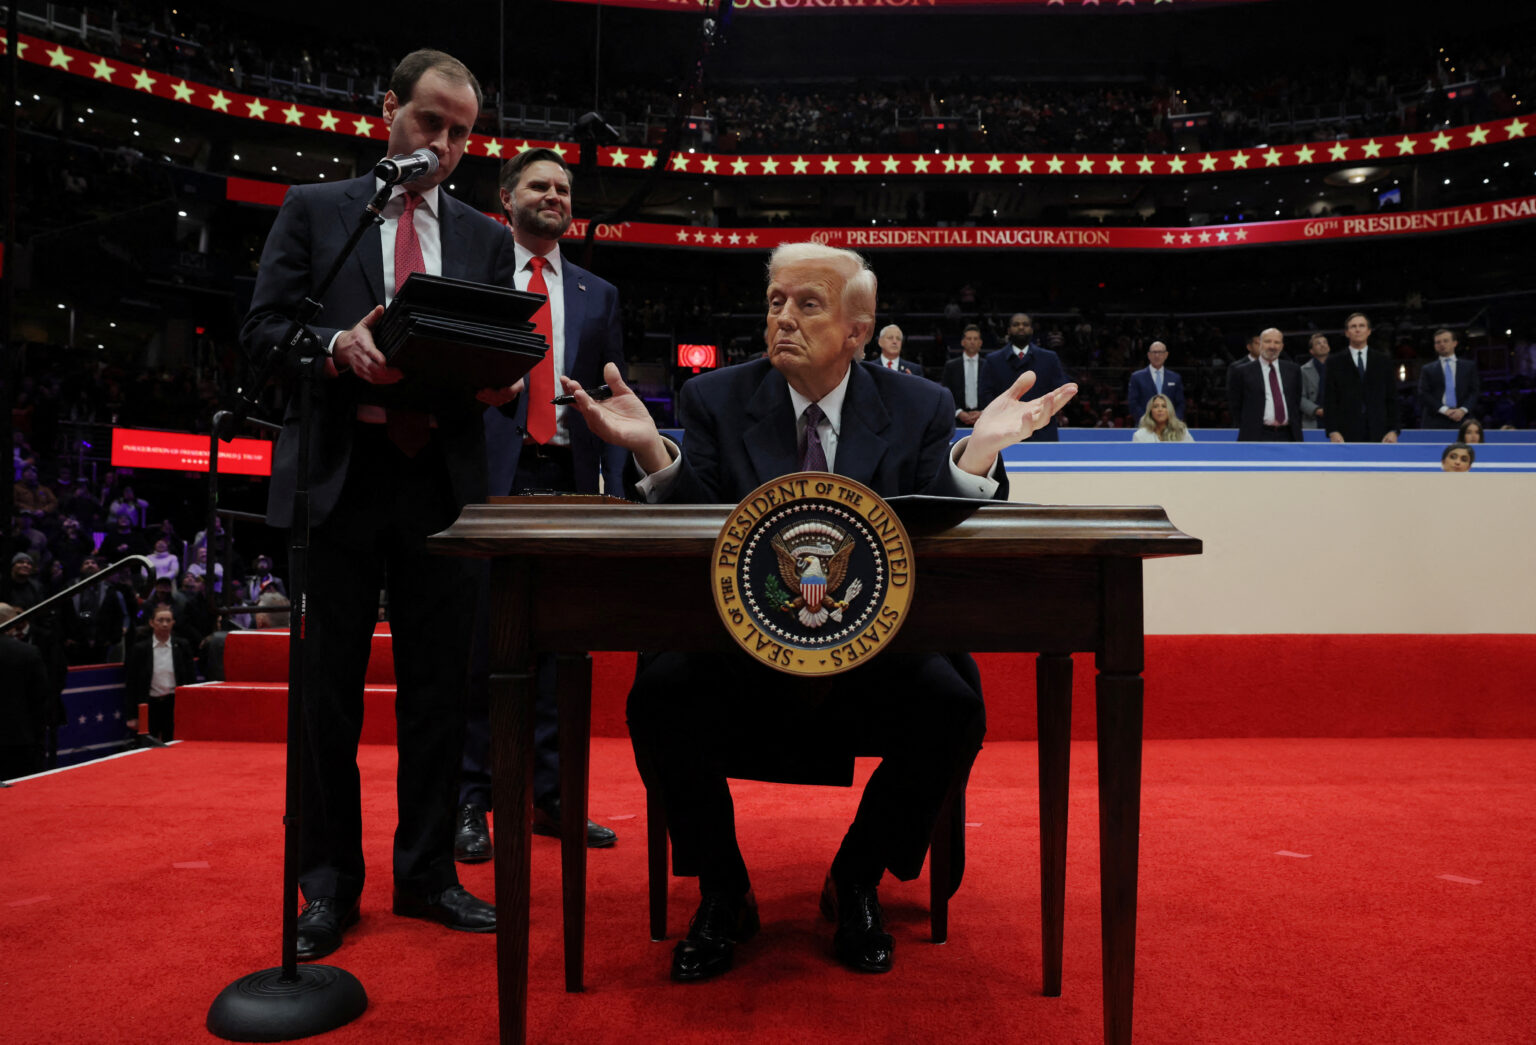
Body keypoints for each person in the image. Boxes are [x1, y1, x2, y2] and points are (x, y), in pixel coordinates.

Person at [567, 242, 1076, 981]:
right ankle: (723, 889)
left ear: (858, 330)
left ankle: (858, 876)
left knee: (953, 706)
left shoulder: (921, 406)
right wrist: (653, 451)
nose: (783, 318)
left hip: (878, 654)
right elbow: (697, 527)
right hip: (738, 652)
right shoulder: (715, 398)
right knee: (659, 695)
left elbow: (939, 524)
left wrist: (976, 460)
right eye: (776, 301)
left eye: (808, 304)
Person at [240, 48, 517, 961]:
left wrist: (496, 376)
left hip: (441, 479)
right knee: (327, 700)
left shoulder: (485, 235)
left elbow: (492, 338)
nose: (443, 144)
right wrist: (331, 347)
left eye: (461, 133)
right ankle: (326, 886)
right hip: (340, 479)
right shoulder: (321, 211)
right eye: (429, 122)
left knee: (441, 693)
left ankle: (429, 872)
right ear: (387, 112)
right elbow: (263, 334)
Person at [457, 146, 627, 862]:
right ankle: (472, 795)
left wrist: (615, 488)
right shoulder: (473, 276)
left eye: (563, 188)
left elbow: (616, 396)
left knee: (564, 645)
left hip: (567, 475)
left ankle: (555, 796)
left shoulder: (598, 293)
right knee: (479, 642)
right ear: (507, 196)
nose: (555, 196)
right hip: (490, 474)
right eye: (540, 185)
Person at [978, 312, 1069, 441]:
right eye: (1016, 324)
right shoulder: (993, 360)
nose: (1021, 327)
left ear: (1031, 329)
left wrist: (1040, 413)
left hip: (1042, 431)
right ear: (1009, 330)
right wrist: (1006, 414)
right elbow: (985, 394)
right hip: (1003, 431)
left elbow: (1060, 392)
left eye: (1025, 324)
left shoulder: (1049, 358)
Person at [123, 604, 197, 742]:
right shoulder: (140, 649)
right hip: (150, 704)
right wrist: (132, 715)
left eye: (168, 621)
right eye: (160, 620)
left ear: (173, 623)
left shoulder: (182, 646)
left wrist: (190, 709)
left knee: (174, 744)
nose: (164, 624)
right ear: (151, 622)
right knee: (148, 746)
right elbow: (132, 683)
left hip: (174, 704)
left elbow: (190, 679)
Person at [1325, 312, 1400, 443]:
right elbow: (1329, 399)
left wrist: (1393, 430)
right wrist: (1332, 430)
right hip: (1345, 432)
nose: (1358, 329)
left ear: (1369, 331)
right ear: (1347, 333)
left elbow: (1392, 397)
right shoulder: (1334, 362)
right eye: (1353, 326)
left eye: (1361, 326)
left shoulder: (1383, 360)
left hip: (1379, 431)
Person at [0, 603, 53, 780]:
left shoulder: (27, 652)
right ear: (11, 623)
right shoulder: (27, 652)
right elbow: (40, 696)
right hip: (19, 738)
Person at [1228, 328, 1302, 441]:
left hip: (1289, 435)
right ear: (1260, 344)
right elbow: (1235, 405)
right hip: (1255, 435)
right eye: (1268, 341)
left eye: (1277, 342)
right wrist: (1248, 426)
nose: (1272, 346)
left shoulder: (1293, 370)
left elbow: (1296, 401)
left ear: (1282, 346)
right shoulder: (1242, 371)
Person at [1417, 328, 1480, 430]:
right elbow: (1423, 393)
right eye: (1438, 342)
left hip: (1463, 419)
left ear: (1454, 343)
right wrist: (1445, 410)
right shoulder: (1427, 369)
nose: (1442, 344)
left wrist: (1463, 410)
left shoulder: (1469, 366)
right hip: (1435, 419)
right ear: (1435, 346)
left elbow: (1474, 392)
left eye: (1445, 341)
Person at [1126, 341, 1185, 423]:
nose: (1157, 355)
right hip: (1145, 426)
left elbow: (1180, 403)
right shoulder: (1136, 377)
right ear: (1149, 355)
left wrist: (1174, 421)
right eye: (1154, 352)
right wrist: (1146, 421)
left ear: (1166, 355)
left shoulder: (1175, 378)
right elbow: (1133, 403)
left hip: (1170, 427)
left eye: (1160, 352)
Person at [941, 324, 985, 426]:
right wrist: (958, 412)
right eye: (969, 338)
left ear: (980, 343)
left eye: (975, 339)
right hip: (957, 421)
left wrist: (983, 412)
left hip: (984, 420)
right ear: (963, 342)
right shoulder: (951, 366)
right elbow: (946, 393)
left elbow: (994, 393)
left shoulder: (988, 366)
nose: (972, 341)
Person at [1299, 333, 1330, 431]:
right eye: (1318, 343)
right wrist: (1317, 410)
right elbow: (1299, 397)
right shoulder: (1303, 370)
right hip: (1313, 419)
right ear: (1311, 351)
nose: (1322, 345)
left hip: (1338, 417)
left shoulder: (1340, 367)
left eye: (1325, 342)